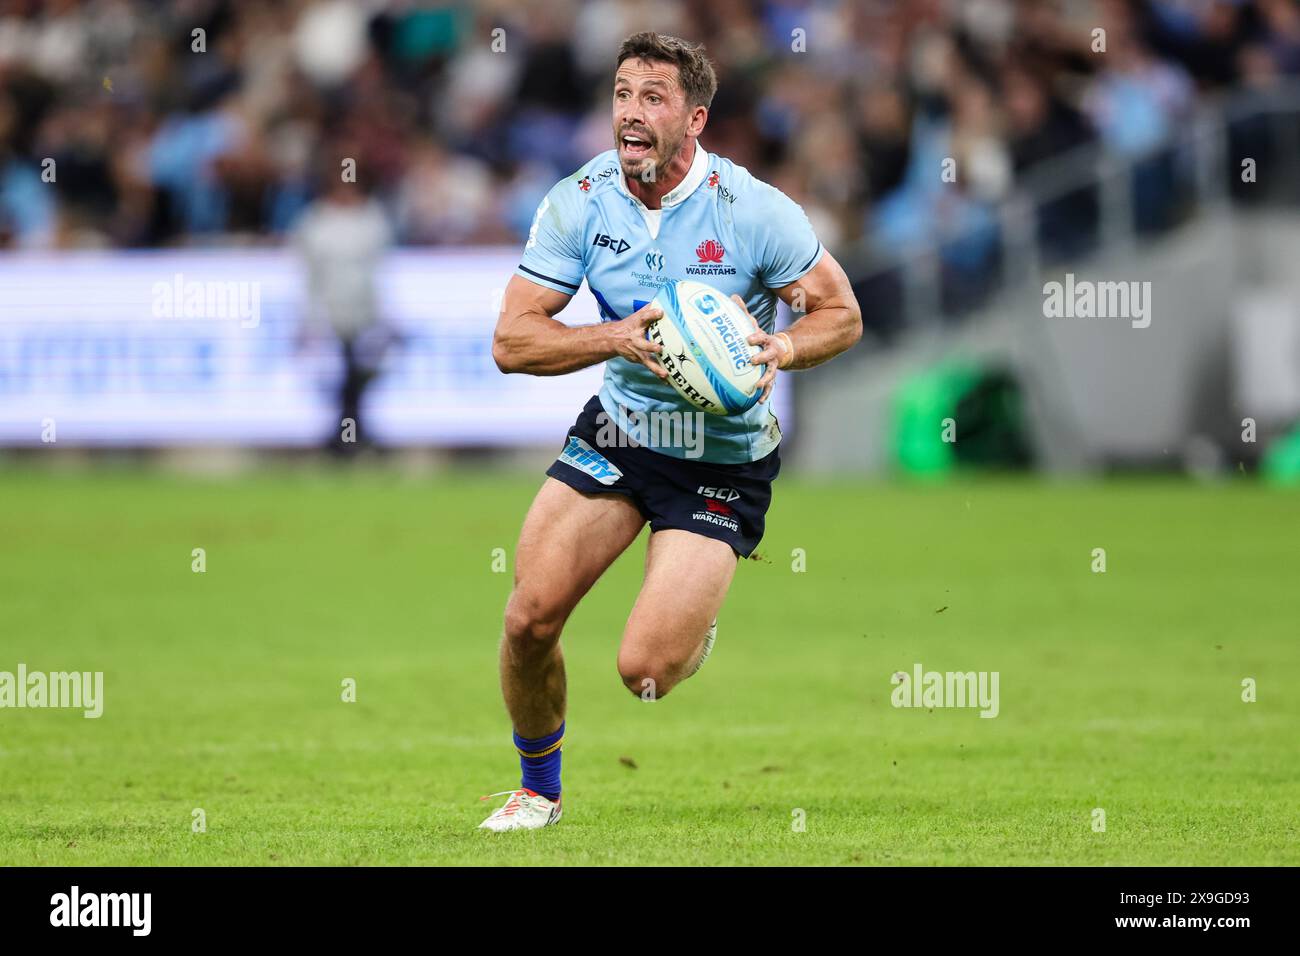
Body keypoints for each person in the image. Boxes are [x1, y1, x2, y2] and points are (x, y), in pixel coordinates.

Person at [481, 32, 862, 830]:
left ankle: (695, 611)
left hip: (721, 461)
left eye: (652, 97)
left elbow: (842, 314)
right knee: (528, 619)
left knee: (645, 671)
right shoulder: (579, 201)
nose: (631, 112)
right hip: (620, 434)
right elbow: (512, 342)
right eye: (622, 93)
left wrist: (784, 346)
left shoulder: (754, 211)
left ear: (694, 119)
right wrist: (609, 339)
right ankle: (537, 791)